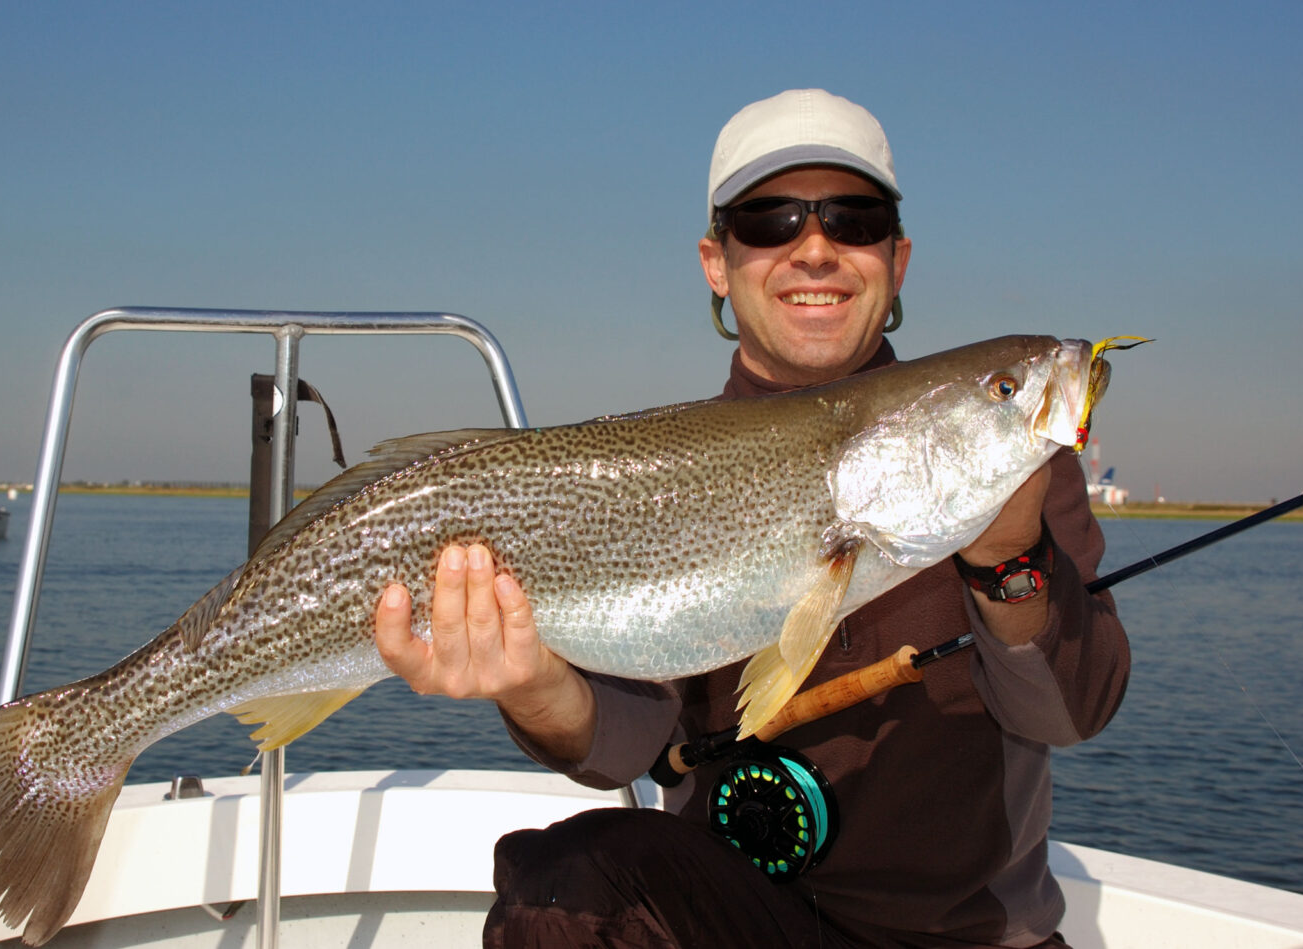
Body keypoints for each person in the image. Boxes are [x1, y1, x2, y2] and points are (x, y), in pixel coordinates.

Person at [374, 89, 1130, 948]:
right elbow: (626, 741)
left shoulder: (1021, 463)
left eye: (855, 218)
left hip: (972, 935)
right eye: (770, 221)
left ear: (899, 257)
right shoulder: (651, 472)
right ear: (715, 261)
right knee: (562, 893)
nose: (816, 249)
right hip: (739, 919)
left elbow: (1070, 713)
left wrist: (1010, 560)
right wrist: (533, 686)